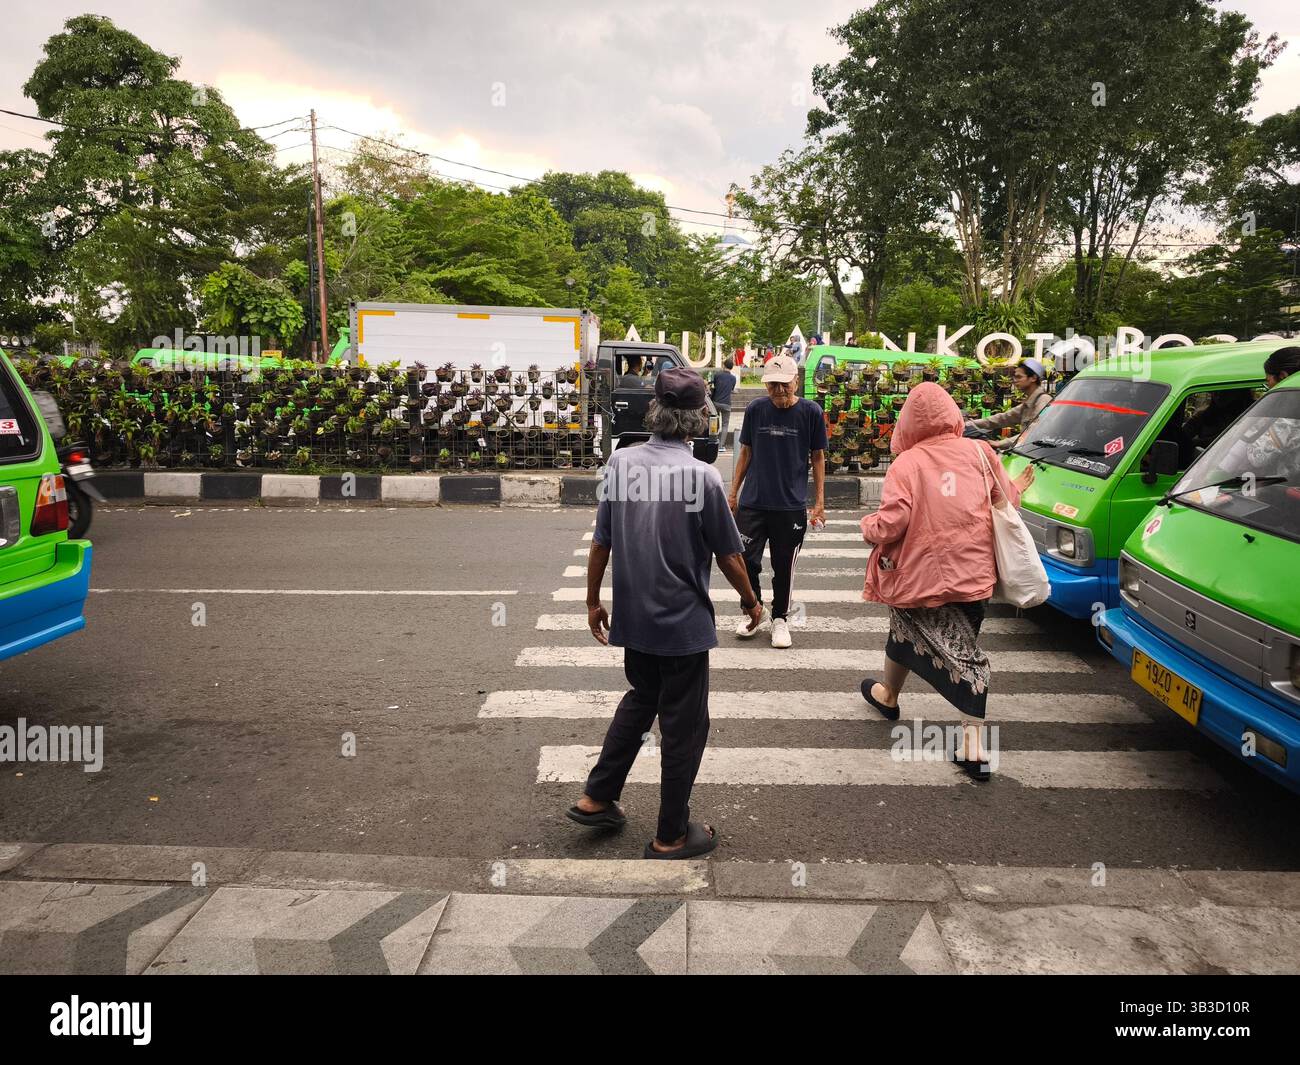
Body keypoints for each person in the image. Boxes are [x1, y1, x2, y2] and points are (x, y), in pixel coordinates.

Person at [570, 367, 762, 859]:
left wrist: (594, 602)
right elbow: (729, 555)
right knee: (684, 728)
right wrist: (750, 600)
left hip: (636, 623)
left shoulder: (621, 463)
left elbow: (601, 542)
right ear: (700, 416)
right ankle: (671, 833)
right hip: (682, 627)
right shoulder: (702, 476)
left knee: (641, 700)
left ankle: (597, 797)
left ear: (653, 411)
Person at [859, 383, 1035, 779]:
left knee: (962, 656)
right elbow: (1005, 499)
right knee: (907, 633)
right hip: (974, 576)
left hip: (918, 580)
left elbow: (891, 523)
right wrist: (1018, 487)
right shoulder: (981, 452)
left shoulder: (907, 463)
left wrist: (867, 526)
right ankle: (888, 695)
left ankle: (973, 747)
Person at [727, 353, 827, 649]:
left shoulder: (810, 412)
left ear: (796, 381)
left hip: (791, 506)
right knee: (744, 560)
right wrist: (733, 493)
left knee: (784, 567)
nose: (780, 391)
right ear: (765, 385)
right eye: (773, 385)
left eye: (785, 384)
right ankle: (753, 611)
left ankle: (780, 618)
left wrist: (819, 502)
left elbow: (818, 457)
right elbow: (745, 452)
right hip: (754, 503)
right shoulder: (757, 409)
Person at [965, 357, 1051, 450]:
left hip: (1035, 453)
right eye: (1015, 376)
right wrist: (970, 424)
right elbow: (1003, 418)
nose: (1015, 380)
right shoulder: (1029, 403)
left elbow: (1034, 432)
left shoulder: (1043, 401)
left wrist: (1001, 443)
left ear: (1033, 378)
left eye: (1019, 377)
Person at [711, 358, 738, 451]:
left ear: (724, 365)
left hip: (716, 402)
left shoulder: (717, 375)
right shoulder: (733, 378)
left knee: (714, 422)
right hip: (727, 404)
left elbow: (714, 386)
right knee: (725, 425)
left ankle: (713, 442)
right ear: (732, 367)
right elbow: (731, 390)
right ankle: (721, 446)